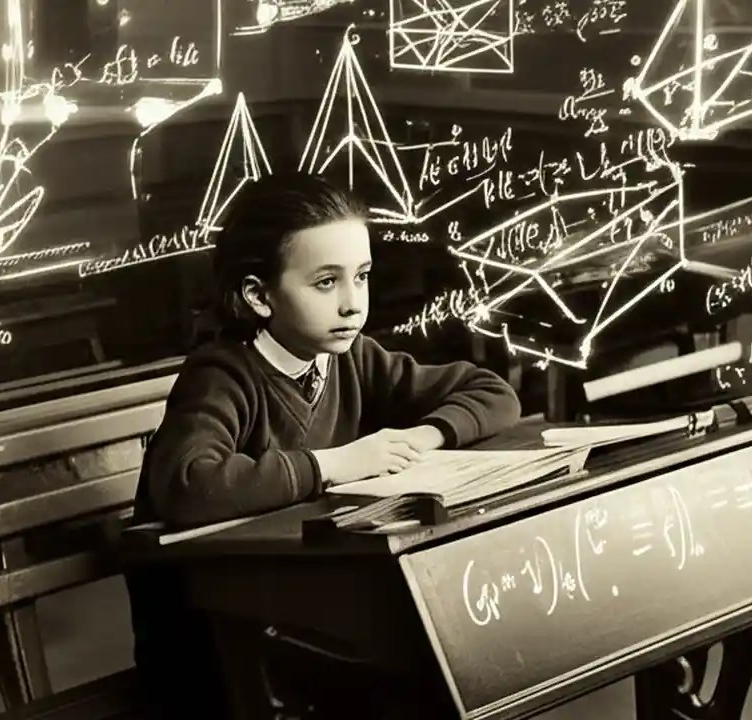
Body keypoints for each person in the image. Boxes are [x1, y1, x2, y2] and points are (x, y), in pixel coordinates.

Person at [126, 171, 522, 716]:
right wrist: (334, 465)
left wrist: (421, 437)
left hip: (304, 611)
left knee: (459, 653)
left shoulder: (350, 358)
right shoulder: (222, 375)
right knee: (423, 669)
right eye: (325, 282)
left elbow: (494, 393)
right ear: (258, 295)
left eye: (362, 277)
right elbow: (190, 485)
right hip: (213, 648)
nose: (352, 304)